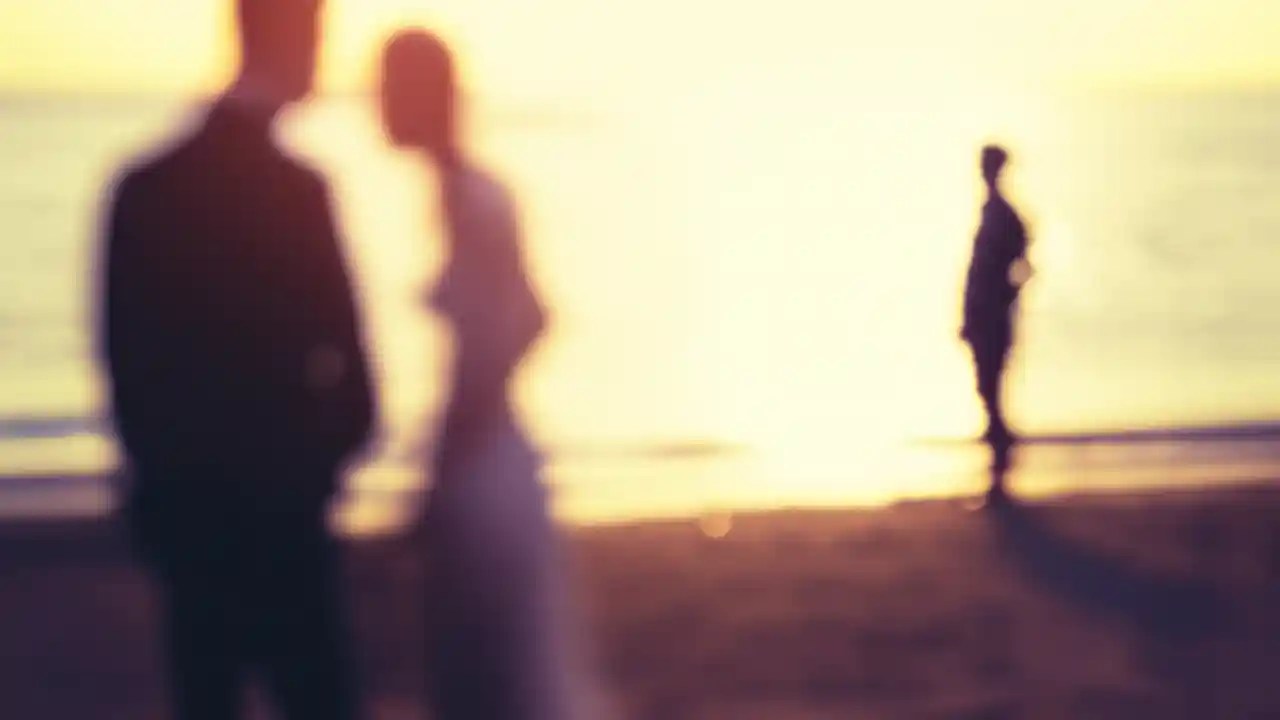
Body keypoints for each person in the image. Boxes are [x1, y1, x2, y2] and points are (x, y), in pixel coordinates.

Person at [97, 1, 375, 718]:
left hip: (191, 520)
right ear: (299, 39)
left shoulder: (142, 188)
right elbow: (355, 370)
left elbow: (125, 369)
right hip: (287, 518)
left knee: (207, 700)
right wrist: (316, 469)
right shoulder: (299, 192)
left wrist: (161, 491)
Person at [380, 30, 604, 720]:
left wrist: (446, 465)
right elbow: (535, 317)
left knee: (482, 677)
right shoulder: (477, 189)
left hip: (480, 466)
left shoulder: (464, 198)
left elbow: (494, 340)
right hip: (503, 456)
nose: (375, 107)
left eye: (387, 88)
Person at [961, 144, 1030, 505]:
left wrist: (1003, 299)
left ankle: (1000, 474)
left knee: (991, 392)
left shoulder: (1002, 215)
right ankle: (999, 473)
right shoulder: (994, 212)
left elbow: (1020, 267)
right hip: (984, 317)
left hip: (992, 319)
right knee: (987, 391)